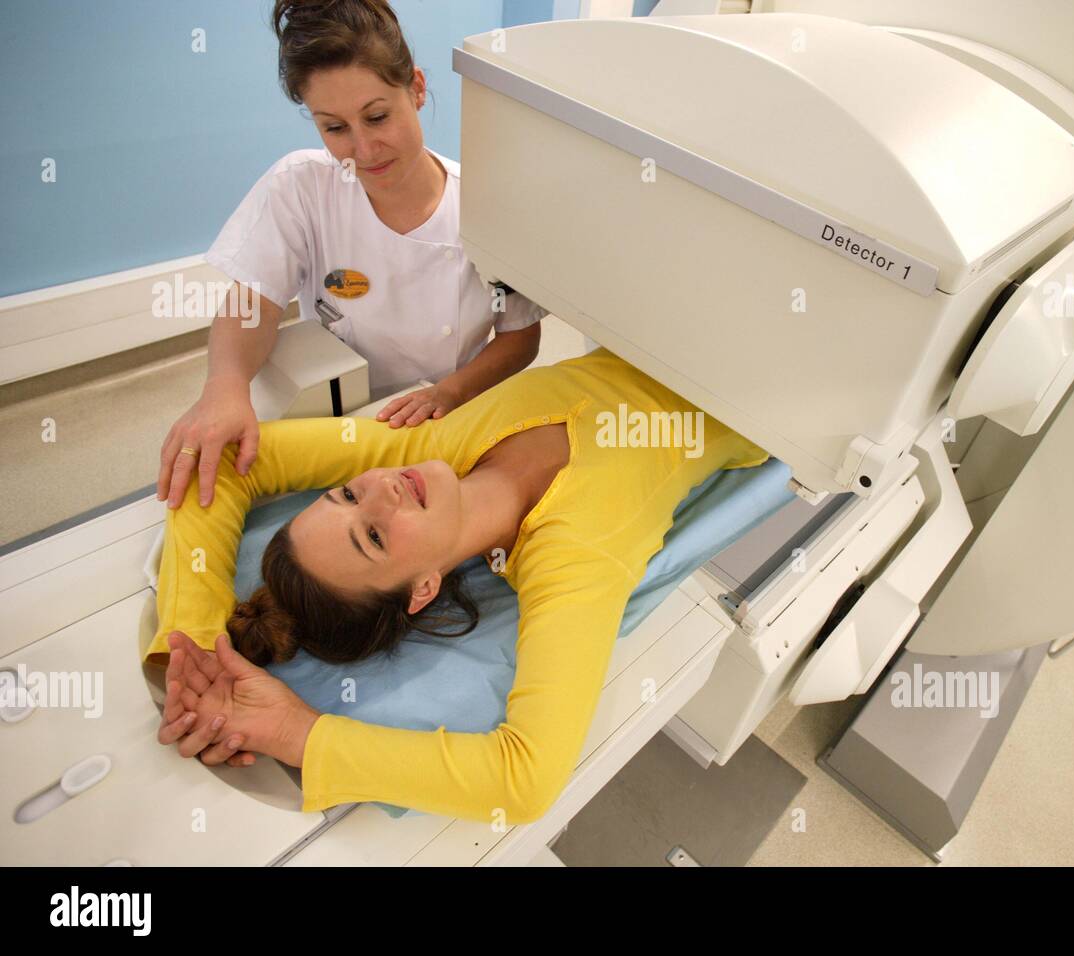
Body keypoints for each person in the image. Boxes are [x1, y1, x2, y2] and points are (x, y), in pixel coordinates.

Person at [147, 348, 770, 824]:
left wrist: (193, 639)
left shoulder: (424, 444)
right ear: (422, 590)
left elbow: (224, 461)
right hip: (767, 384)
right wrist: (300, 733)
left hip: (667, 317)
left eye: (345, 493)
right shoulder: (575, 558)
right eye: (374, 538)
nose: (383, 492)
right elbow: (523, 780)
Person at [157, 0, 546, 512]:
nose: (364, 150)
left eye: (377, 116)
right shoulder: (303, 187)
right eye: (334, 128)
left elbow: (520, 338)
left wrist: (448, 393)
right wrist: (225, 386)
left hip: (441, 424)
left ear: (418, 89)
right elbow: (255, 303)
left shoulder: (485, 208)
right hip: (333, 418)